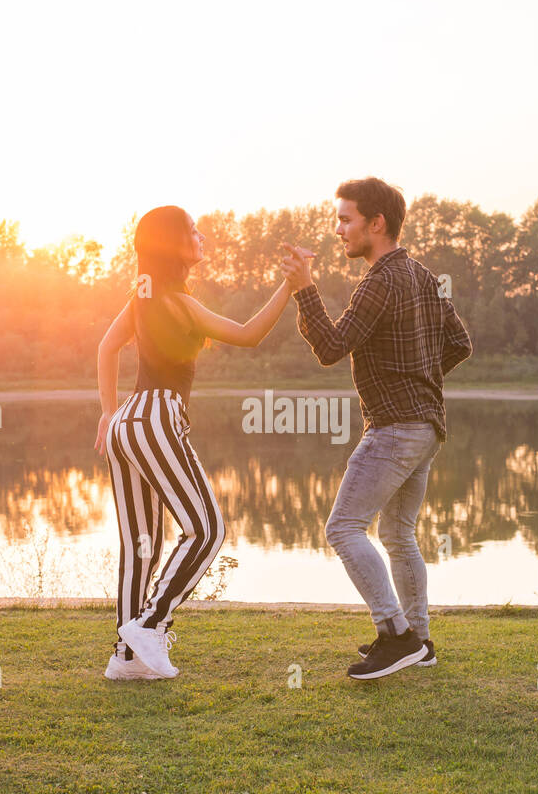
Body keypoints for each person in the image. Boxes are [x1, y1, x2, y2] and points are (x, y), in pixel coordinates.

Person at [280, 178, 473, 680]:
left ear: (376, 223)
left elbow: (329, 346)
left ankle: (397, 634)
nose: (338, 229)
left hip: (396, 428)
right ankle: (421, 641)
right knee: (397, 532)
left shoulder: (380, 280)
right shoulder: (422, 275)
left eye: (345, 219)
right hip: (426, 426)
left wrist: (303, 288)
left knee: (343, 528)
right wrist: (419, 381)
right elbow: (460, 343)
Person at [95, 205, 295, 680]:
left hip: (127, 423)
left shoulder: (143, 296)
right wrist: (291, 285)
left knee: (140, 545)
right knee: (207, 530)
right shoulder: (177, 300)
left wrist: (108, 412)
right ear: (174, 245)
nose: (201, 236)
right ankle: (149, 624)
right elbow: (248, 335)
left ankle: (125, 659)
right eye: (192, 231)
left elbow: (105, 348)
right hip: (159, 418)